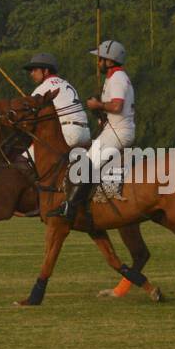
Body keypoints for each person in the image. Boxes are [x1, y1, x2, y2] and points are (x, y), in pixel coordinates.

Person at [53, 39, 134, 223]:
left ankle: (70, 209)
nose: (98, 63)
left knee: (85, 166)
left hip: (118, 133)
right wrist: (99, 109)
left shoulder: (118, 78)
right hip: (113, 130)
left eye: (100, 59)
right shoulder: (114, 78)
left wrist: (98, 104)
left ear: (110, 60)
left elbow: (117, 106)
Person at [20, 52, 90, 171]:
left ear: (46, 71)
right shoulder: (67, 84)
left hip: (68, 134)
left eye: (35, 70)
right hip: (85, 134)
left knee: (23, 161)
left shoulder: (42, 89)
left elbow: (27, 116)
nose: (31, 74)